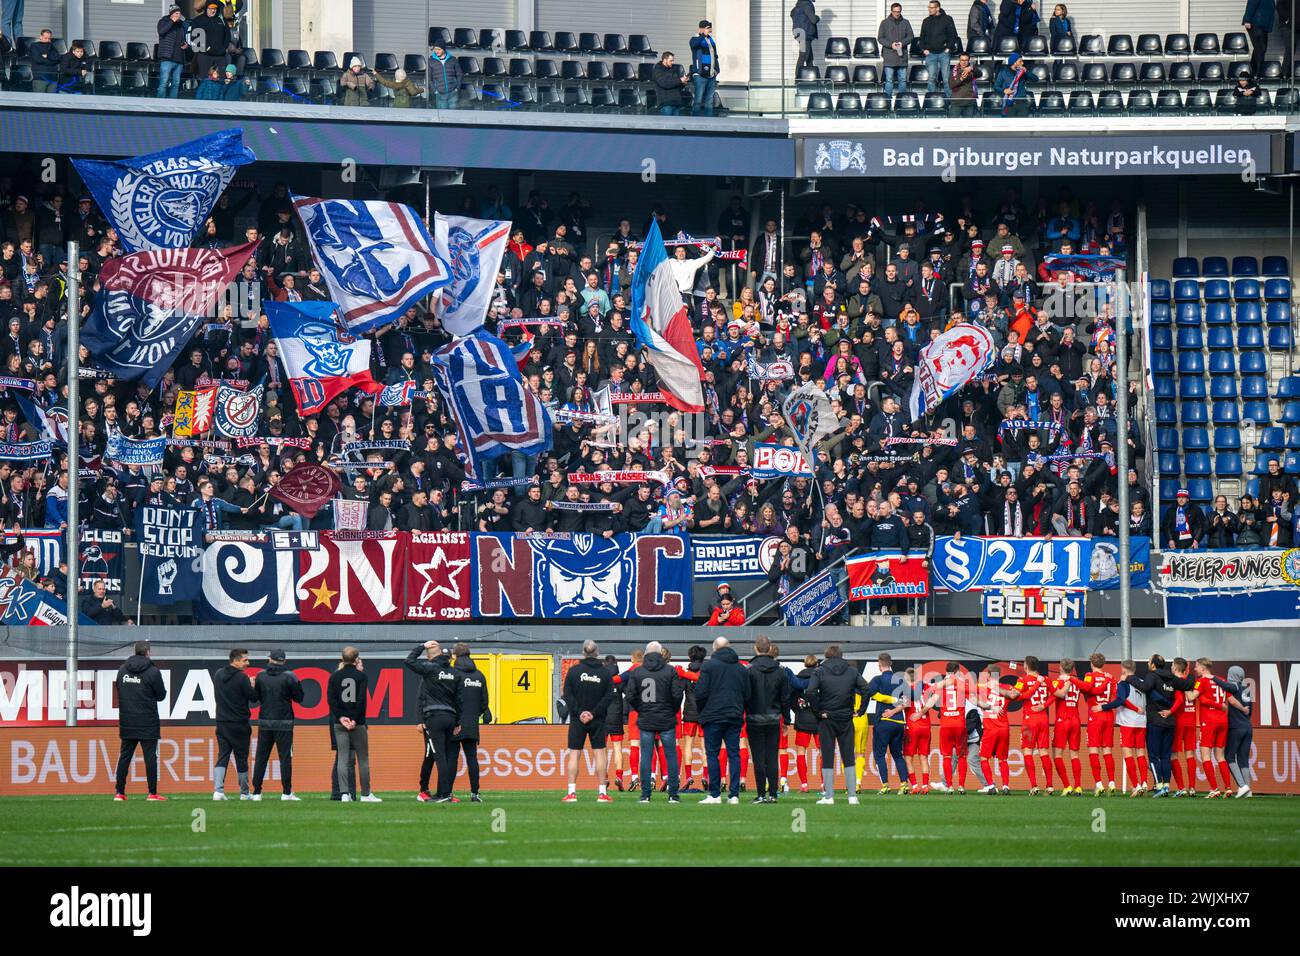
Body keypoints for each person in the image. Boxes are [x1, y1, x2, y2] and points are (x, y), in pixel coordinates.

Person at [805, 643, 870, 805]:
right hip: (846, 718)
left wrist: (818, 712)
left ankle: (829, 796)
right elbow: (866, 689)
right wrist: (860, 711)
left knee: (827, 756)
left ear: (826, 656)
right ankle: (852, 796)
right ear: (841, 656)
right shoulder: (852, 671)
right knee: (848, 756)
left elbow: (811, 692)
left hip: (827, 719)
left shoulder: (819, 671)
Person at [623, 640, 685, 803]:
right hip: (666, 718)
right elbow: (678, 695)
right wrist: (671, 709)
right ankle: (673, 794)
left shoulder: (638, 672)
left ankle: (645, 795)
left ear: (646, 653)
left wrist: (641, 708)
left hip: (646, 718)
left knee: (646, 756)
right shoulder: (670, 671)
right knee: (670, 756)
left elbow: (629, 695)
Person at [1127, 654, 1197, 798]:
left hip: (1155, 721)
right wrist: (1191, 674)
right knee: (1165, 756)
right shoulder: (1172, 678)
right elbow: (1188, 685)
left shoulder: (1152, 676)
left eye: (1149, 662)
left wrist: (1130, 677)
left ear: (1153, 665)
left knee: (1153, 756)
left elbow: (1144, 687)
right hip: (1170, 722)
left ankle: (1159, 786)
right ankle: (1166, 785)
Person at [695, 635, 750, 804]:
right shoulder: (741, 669)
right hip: (734, 716)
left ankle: (715, 794)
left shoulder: (708, 666)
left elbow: (700, 693)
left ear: (714, 648)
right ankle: (734, 795)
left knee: (712, 754)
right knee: (734, 754)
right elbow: (747, 695)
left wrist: (702, 712)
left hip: (713, 716)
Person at [406, 640, 461, 804]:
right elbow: (459, 700)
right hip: (451, 718)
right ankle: (445, 793)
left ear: (430, 657)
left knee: (437, 756)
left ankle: (441, 794)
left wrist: (422, 646)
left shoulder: (429, 670)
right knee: (449, 757)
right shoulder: (455, 674)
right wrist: (458, 721)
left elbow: (409, 661)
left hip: (434, 718)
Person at [560, 640, 615, 802]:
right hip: (597, 720)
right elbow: (609, 696)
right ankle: (602, 793)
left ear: (584, 653)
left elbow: (567, 696)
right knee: (600, 753)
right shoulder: (605, 673)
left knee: (574, 754)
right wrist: (593, 713)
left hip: (578, 720)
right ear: (597, 652)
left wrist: (580, 713)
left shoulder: (574, 671)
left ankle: (571, 793)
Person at [114, 640, 168, 801]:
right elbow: (161, 695)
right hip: (148, 722)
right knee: (150, 758)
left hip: (127, 720)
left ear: (135, 651)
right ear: (148, 652)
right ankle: (152, 793)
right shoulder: (153, 672)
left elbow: (118, 689)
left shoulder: (122, 670)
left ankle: (119, 793)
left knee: (124, 757)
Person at [329, 646, 381, 802]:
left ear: (342, 658)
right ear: (356, 658)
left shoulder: (334, 677)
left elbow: (331, 701)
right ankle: (365, 794)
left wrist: (341, 718)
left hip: (340, 724)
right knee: (363, 759)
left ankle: (344, 794)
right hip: (357, 723)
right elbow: (361, 701)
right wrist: (354, 720)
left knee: (342, 759)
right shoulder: (361, 676)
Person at [251, 648, 304, 801]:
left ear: (270, 659)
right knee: (285, 758)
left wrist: (253, 685)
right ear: (283, 661)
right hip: (284, 723)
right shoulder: (290, 676)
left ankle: (257, 793)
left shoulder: (261, 676)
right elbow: (299, 698)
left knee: (261, 757)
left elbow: (254, 699)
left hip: (265, 723)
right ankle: (286, 793)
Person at [745, 636, 793, 803]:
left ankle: (760, 794)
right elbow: (785, 698)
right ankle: (773, 793)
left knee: (758, 758)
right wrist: (787, 720)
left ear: (756, 649)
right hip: (773, 719)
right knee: (772, 757)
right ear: (769, 648)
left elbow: (745, 695)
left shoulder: (749, 670)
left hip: (753, 719)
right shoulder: (780, 671)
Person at [999, 655, 1053, 794]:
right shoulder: (1046, 679)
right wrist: (1044, 705)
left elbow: (1013, 695)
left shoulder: (1023, 680)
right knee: (1044, 752)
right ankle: (1050, 786)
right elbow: (1055, 694)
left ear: (1026, 666)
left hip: (1030, 720)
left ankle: (1034, 786)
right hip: (1043, 718)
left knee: (1028, 751)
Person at [211, 648, 257, 801]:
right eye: (245, 660)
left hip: (222, 722)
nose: (248, 663)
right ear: (235, 660)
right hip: (239, 724)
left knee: (222, 755)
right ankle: (244, 793)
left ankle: (218, 791)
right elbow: (253, 698)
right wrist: (252, 685)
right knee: (241, 758)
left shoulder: (218, 674)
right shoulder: (242, 678)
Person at [1187, 657, 1235, 798]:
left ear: (1203, 668)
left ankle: (1214, 788)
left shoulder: (1201, 681)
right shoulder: (1221, 680)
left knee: (1206, 755)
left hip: (1209, 721)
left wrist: (1183, 687)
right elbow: (1229, 699)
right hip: (1223, 720)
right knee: (1220, 756)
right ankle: (1228, 788)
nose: (1195, 669)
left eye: (1196, 666)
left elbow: (1191, 697)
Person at [450, 643, 491, 803]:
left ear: (455, 656)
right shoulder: (479, 676)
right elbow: (484, 703)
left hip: (454, 723)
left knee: (452, 758)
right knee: (472, 758)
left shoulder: (453, 674)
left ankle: (448, 792)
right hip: (472, 724)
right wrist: (473, 715)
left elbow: (449, 697)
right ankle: (475, 793)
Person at [1073, 652, 1118, 796]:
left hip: (1095, 715)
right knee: (1107, 751)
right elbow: (1116, 697)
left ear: (1092, 664)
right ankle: (1111, 782)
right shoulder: (1110, 678)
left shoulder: (1089, 675)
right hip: (1109, 715)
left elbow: (1087, 688)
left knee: (1093, 750)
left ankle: (1099, 784)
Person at [863, 653, 909, 794]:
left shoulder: (877, 680)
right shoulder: (901, 680)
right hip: (899, 722)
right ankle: (903, 785)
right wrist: (894, 710)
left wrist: (888, 711)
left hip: (883, 722)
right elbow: (906, 702)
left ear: (879, 664)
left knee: (879, 755)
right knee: (897, 755)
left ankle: (885, 785)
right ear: (891, 663)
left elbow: (866, 693)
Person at [1102, 660, 1149, 795]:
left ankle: (1136, 785)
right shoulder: (1141, 681)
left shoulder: (1122, 683)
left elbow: (1122, 700)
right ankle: (1144, 782)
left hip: (1128, 722)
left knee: (1127, 753)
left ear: (1123, 669)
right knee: (1140, 753)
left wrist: (1103, 707)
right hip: (1142, 722)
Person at [1216, 665, 1254, 798]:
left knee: (1229, 757)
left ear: (1232, 675)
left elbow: (1228, 693)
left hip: (1235, 727)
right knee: (1243, 759)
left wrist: (1213, 678)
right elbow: (1251, 710)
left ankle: (1242, 786)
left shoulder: (1233, 687)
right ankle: (1248, 790)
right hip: (1248, 727)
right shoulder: (1248, 689)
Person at [1049, 658, 1085, 795]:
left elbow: (1056, 695)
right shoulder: (1077, 682)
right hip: (1076, 719)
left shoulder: (1057, 682)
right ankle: (1078, 786)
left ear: (1060, 667)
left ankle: (1067, 786)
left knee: (1057, 754)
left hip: (1062, 720)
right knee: (1074, 754)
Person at [976, 664, 1012, 793]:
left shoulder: (981, 688)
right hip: (1004, 727)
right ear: (1000, 675)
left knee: (984, 758)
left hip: (990, 728)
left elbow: (973, 698)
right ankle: (1006, 786)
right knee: (1003, 759)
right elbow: (1015, 695)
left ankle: (991, 786)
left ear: (989, 675)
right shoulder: (1007, 688)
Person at [919, 1, 960, 96]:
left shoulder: (947, 19)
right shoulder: (926, 21)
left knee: (946, 79)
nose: (929, 9)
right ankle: (931, 100)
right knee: (931, 78)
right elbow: (921, 37)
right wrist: (923, 49)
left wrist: (948, 48)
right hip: (930, 54)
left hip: (943, 53)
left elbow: (953, 35)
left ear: (937, 8)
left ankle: (949, 100)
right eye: (928, 7)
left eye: (931, 7)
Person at [878, 3, 916, 99]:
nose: (896, 14)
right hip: (889, 56)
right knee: (889, 80)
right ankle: (888, 101)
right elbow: (880, 38)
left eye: (898, 12)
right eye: (895, 12)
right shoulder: (884, 23)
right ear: (891, 11)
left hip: (902, 57)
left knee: (902, 80)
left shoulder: (906, 22)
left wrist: (901, 43)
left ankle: (901, 102)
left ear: (900, 11)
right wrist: (891, 45)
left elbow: (911, 36)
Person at [156, 6, 189, 99]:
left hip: (179, 59)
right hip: (167, 58)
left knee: (176, 83)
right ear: (171, 14)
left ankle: (172, 104)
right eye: (176, 13)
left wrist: (186, 45)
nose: (178, 15)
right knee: (164, 82)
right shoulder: (163, 21)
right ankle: (159, 103)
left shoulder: (182, 24)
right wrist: (171, 21)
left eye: (179, 13)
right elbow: (161, 32)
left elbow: (186, 37)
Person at [689, 20, 719, 117]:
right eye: (707, 28)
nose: (709, 30)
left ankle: (708, 122)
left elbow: (715, 56)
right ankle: (695, 122)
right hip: (700, 75)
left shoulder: (711, 40)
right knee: (698, 100)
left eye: (709, 28)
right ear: (701, 28)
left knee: (709, 101)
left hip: (711, 75)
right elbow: (693, 45)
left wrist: (717, 69)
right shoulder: (695, 38)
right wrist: (702, 35)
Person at [1243, 0, 1277, 78]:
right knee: (1261, 48)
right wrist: (1247, 20)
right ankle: (1258, 73)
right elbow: (1251, 5)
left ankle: (1253, 71)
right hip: (1255, 24)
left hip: (1263, 25)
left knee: (1260, 49)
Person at [994, 51, 1031, 117]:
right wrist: (1004, 90)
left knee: (1023, 126)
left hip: (1022, 103)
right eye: (1020, 61)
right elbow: (996, 86)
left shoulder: (1023, 72)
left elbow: (1035, 79)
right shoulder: (1003, 73)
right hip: (1009, 103)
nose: (1023, 63)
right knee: (1009, 126)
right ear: (1014, 62)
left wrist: (1026, 72)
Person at [652, 51, 689, 116]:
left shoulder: (673, 69)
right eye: (671, 60)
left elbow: (677, 86)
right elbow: (664, 83)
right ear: (665, 60)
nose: (672, 62)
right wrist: (680, 80)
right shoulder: (658, 70)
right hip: (665, 103)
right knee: (666, 125)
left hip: (676, 102)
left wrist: (683, 83)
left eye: (673, 60)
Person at [428, 43, 462, 110]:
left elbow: (459, 74)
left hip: (453, 93)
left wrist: (457, 88)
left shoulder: (453, 59)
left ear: (443, 49)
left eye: (439, 49)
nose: (436, 51)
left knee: (453, 116)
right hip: (440, 94)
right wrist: (435, 91)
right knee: (442, 116)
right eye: (435, 49)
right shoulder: (431, 61)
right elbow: (429, 78)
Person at [790, 0, 820, 72]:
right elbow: (813, 20)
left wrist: (799, 23)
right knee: (803, 56)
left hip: (800, 33)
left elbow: (792, 14)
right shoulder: (807, 4)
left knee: (809, 58)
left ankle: (812, 78)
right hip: (805, 35)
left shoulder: (798, 4)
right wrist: (817, 18)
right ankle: (797, 79)